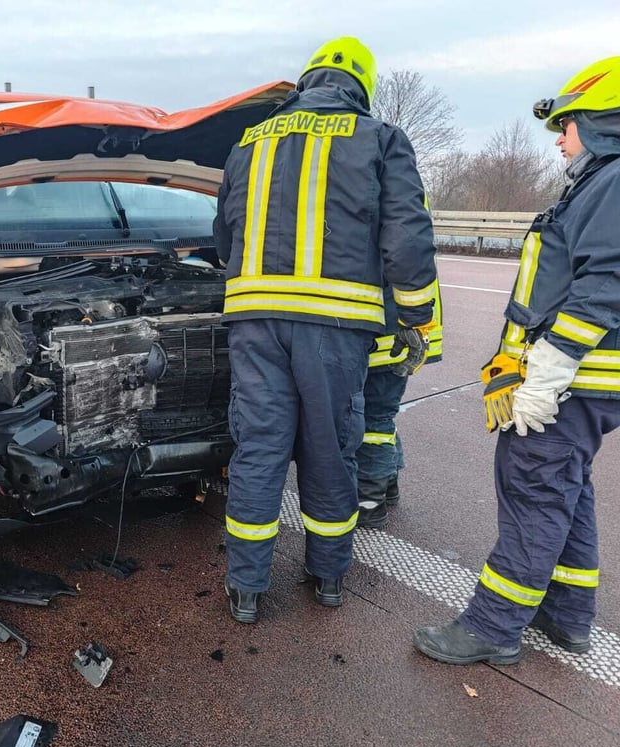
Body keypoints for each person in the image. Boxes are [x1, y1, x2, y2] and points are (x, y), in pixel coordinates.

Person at [214, 37, 438, 623]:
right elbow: (407, 236)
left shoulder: (248, 142)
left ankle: (245, 590)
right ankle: (329, 577)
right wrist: (416, 315)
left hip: (255, 322)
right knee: (330, 450)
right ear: (362, 87)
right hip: (335, 328)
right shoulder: (381, 139)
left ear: (306, 80)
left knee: (258, 449)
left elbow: (224, 234)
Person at [414, 56, 620, 665]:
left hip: (574, 379)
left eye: (568, 124)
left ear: (603, 120)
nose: (559, 137)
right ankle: (568, 616)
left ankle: (493, 628)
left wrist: (548, 374)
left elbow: (605, 285)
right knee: (565, 489)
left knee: (534, 490)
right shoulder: (600, 184)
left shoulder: (612, 183)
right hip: (587, 382)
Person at [357, 275, 444, 529]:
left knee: (373, 421)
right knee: (380, 415)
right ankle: (387, 481)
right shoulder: (408, 240)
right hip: (403, 331)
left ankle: (369, 502)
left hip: (389, 336)